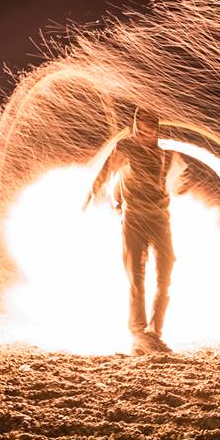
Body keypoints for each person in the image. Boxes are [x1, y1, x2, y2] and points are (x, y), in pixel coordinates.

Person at [85, 108, 178, 354]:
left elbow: (174, 180)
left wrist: (183, 184)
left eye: (152, 130)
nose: (147, 135)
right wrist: (94, 192)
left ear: (157, 128)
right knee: (136, 276)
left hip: (160, 219)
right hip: (134, 220)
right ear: (136, 127)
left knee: (165, 275)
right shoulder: (127, 147)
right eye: (143, 130)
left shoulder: (165, 151)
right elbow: (107, 172)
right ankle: (138, 334)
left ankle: (154, 333)